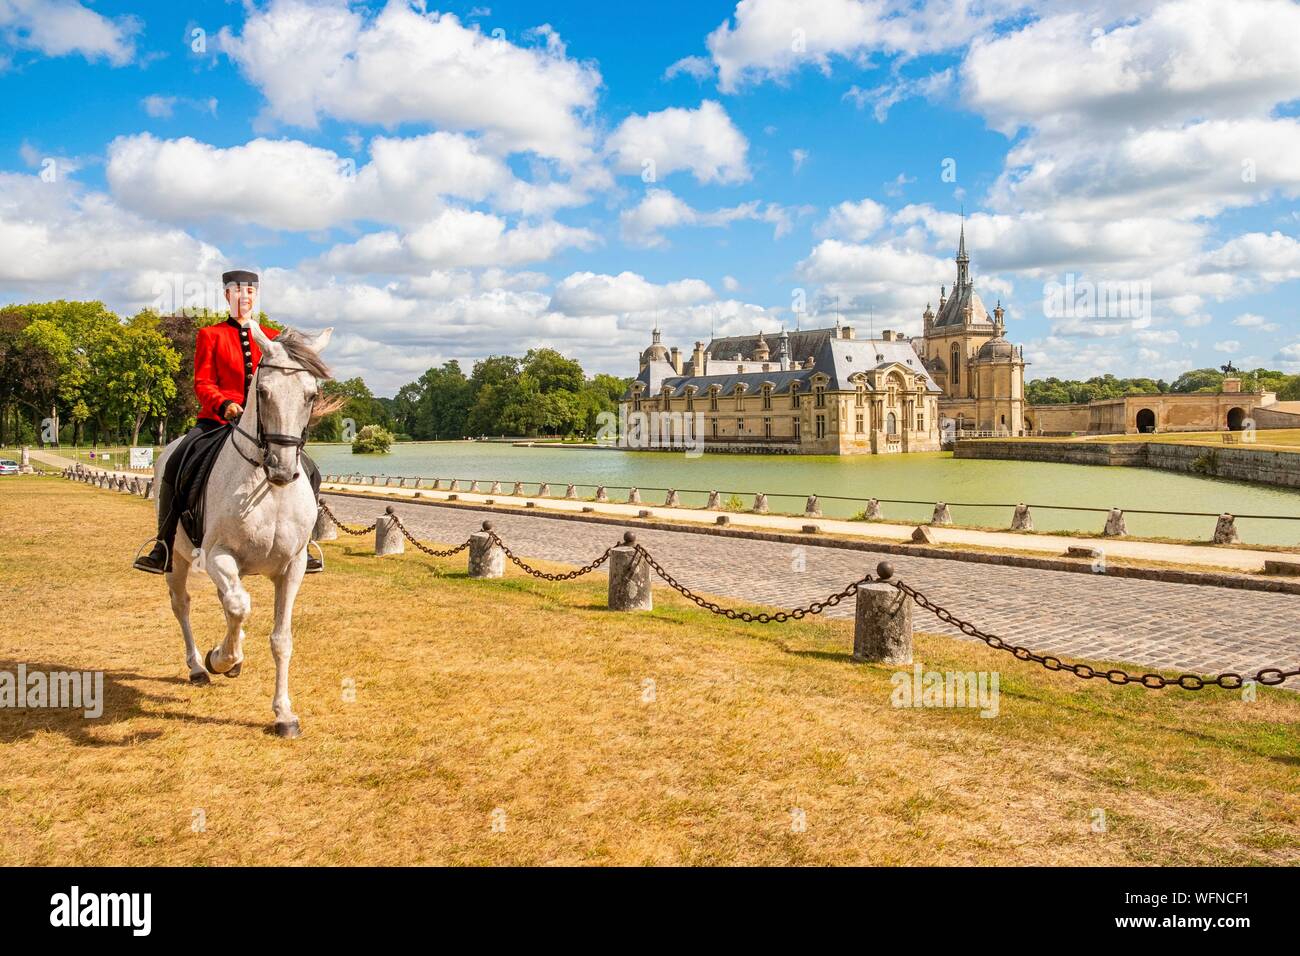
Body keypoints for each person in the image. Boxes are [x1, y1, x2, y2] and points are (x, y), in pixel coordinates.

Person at [134, 270, 323, 574]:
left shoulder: (274, 337)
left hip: (264, 426)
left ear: (255, 295)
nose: (243, 297)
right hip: (218, 420)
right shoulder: (211, 335)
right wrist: (224, 404)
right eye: (237, 292)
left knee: (311, 469)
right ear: (227, 296)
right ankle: (164, 545)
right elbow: (203, 382)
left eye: (249, 292)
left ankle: (306, 543)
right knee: (175, 462)